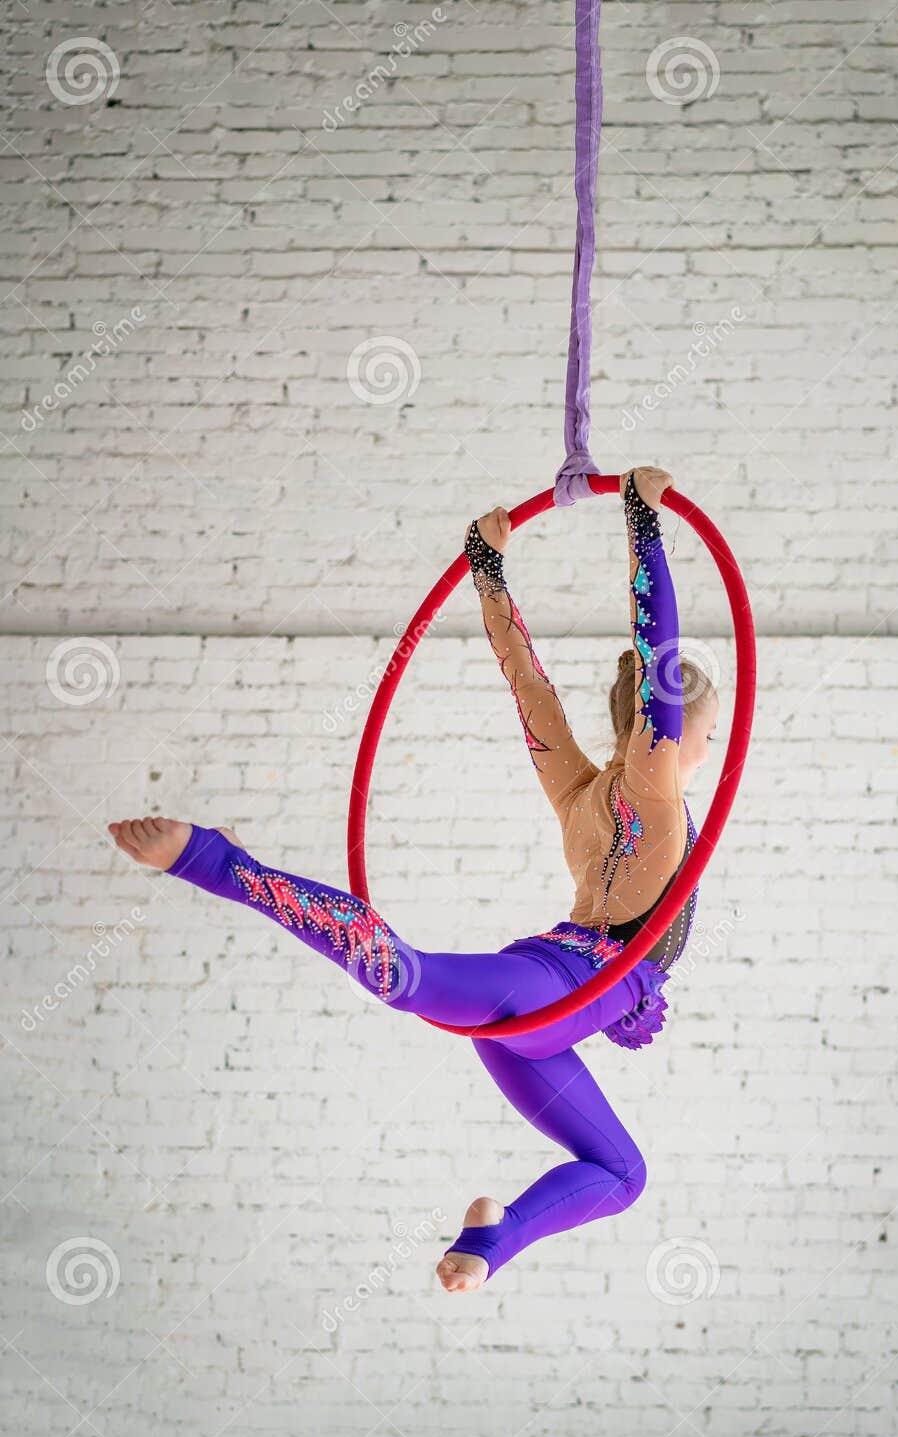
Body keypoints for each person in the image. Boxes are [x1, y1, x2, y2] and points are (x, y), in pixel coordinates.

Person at [109, 469, 719, 1293]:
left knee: (620, 1173)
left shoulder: (578, 788)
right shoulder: (655, 781)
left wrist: (487, 569)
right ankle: (219, 862)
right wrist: (642, 522)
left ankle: (490, 1242)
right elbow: (657, 661)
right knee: (403, 976)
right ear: (676, 727)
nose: (703, 750)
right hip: (557, 986)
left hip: (544, 1011)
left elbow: (527, 687)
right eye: (702, 734)